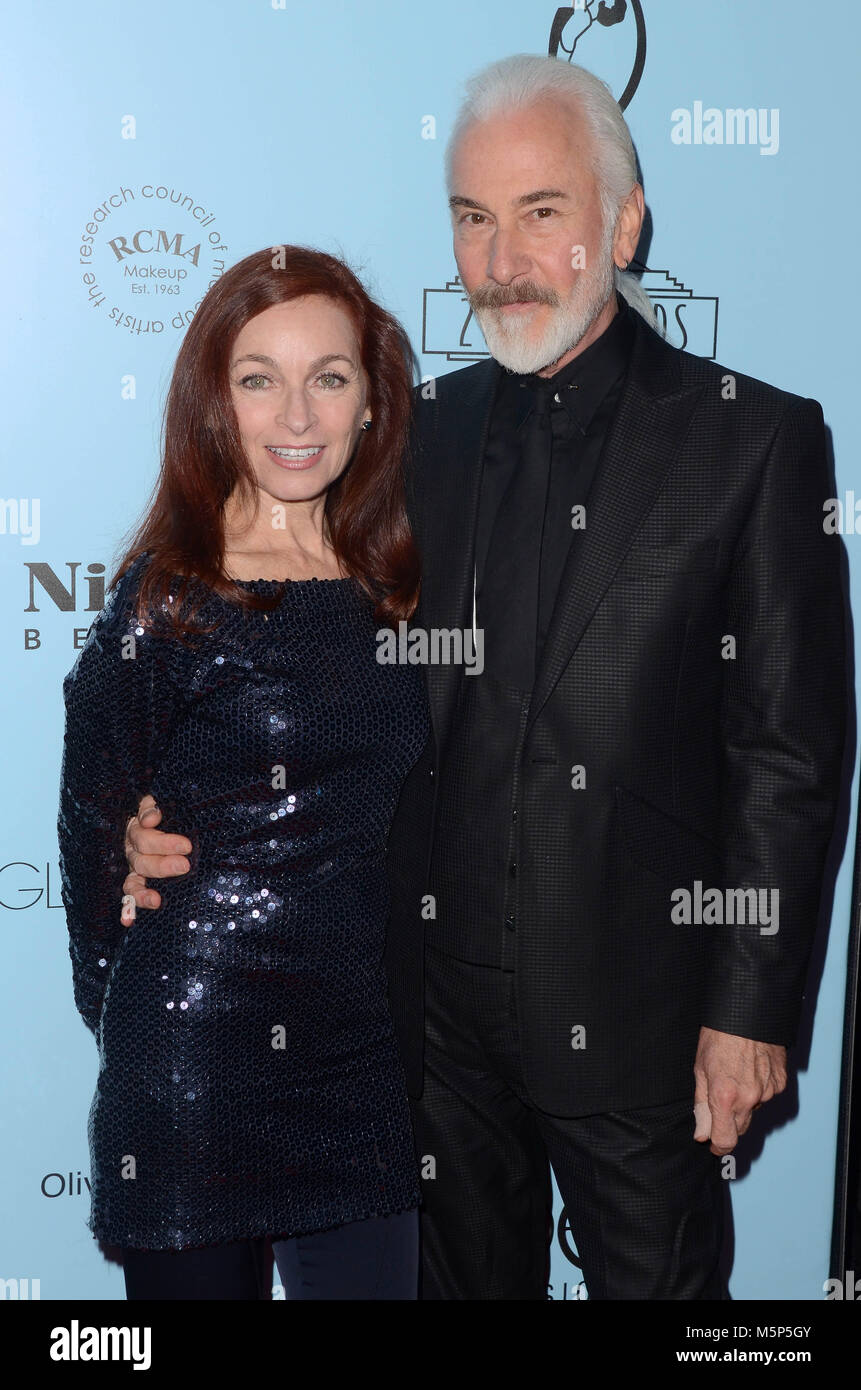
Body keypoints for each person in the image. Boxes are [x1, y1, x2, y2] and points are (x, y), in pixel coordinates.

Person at [121, 56, 848, 1299]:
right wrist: (163, 822)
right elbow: (296, 673)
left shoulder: (755, 440)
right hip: (432, 1032)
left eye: (541, 211)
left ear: (622, 223)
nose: (501, 256)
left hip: (649, 1023)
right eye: (471, 216)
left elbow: (789, 753)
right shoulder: (411, 438)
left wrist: (751, 1010)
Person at [58, 245, 429, 1300]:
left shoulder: (401, 581)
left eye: (330, 376)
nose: (297, 415)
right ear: (217, 401)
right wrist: (121, 1003)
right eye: (259, 377)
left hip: (360, 1071)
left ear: (372, 400)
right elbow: (91, 823)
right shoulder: (167, 597)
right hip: (191, 1062)